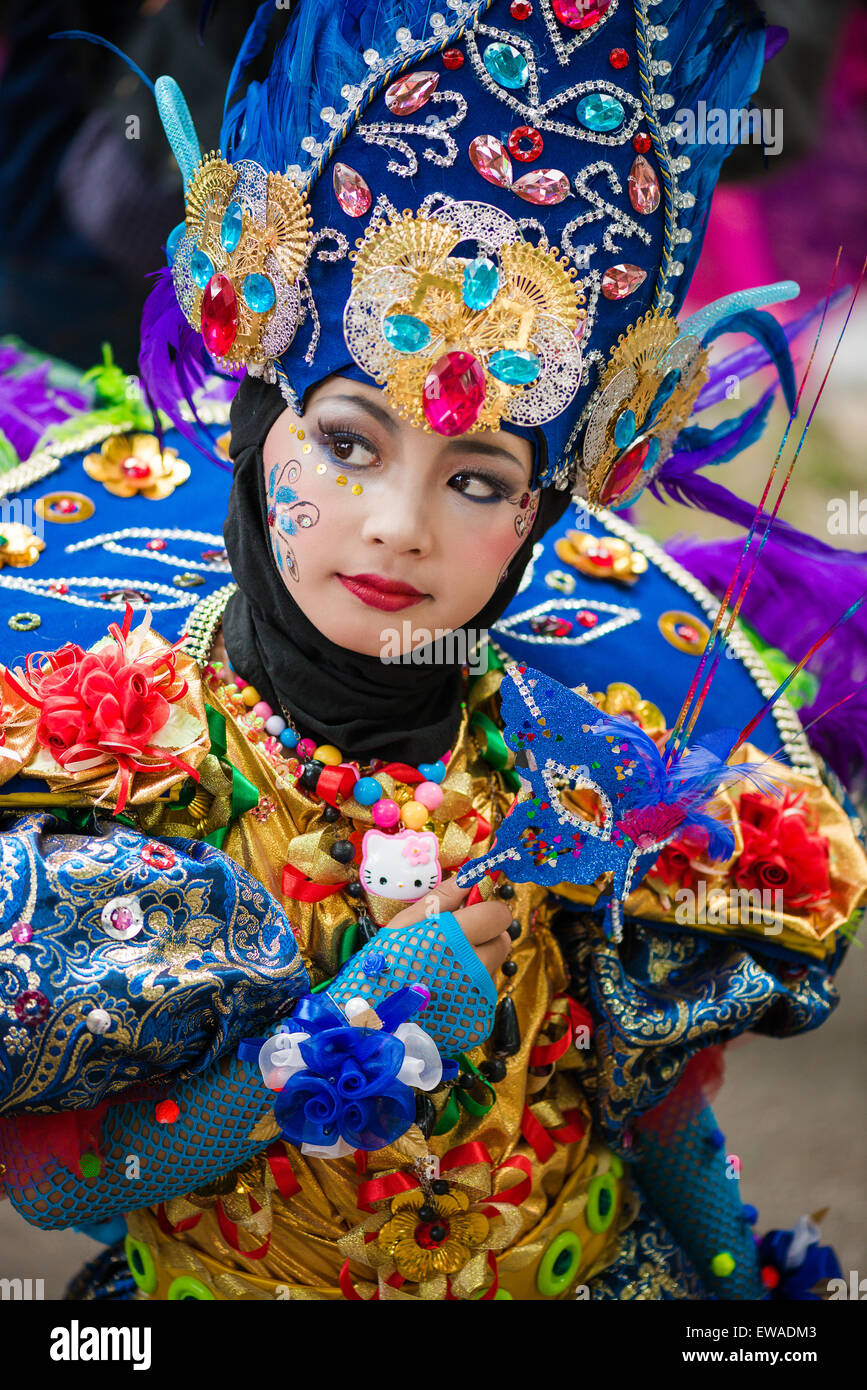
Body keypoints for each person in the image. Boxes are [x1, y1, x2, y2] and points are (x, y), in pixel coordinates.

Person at [0, 0, 864, 1302]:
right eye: (348, 443)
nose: (397, 527)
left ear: (537, 516)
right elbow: (63, 1184)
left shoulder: (583, 759)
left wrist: (749, 1293)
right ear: (259, 433)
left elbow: (656, 1117)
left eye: (474, 478)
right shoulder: (132, 770)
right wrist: (354, 1026)